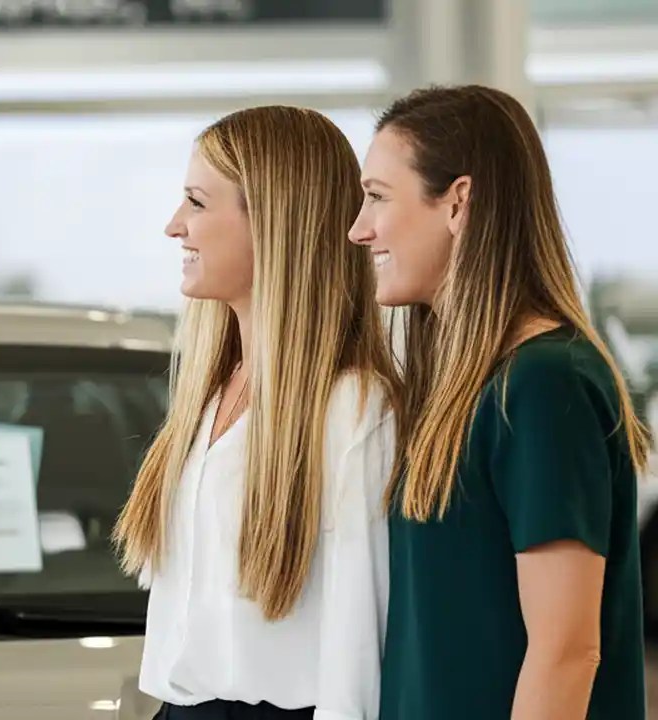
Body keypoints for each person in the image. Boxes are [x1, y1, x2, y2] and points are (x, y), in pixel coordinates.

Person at [349, 84, 650, 720]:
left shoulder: (544, 385)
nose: (359, 229)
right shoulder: (467, 387)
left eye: (377, 197)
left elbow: (566, 652)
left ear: (458, 202)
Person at [113, 106, 400, 720]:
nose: (174, 226)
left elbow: (358, 643)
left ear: (272, 220)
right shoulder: (212, 390)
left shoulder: (351, 407)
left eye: (195, 202)